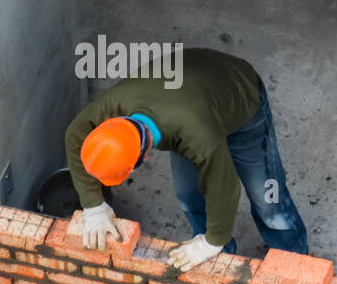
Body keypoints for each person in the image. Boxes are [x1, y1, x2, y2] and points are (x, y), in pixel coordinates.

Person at [64, 48, 307, 271]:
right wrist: (93, 206)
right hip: (192, 96)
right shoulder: (111, 108)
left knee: (267, 198)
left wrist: (213, 241)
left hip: (240, 95)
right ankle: (218, 255)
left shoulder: (196, 134)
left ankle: (294, 262)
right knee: (189, 195)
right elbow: (75, 134)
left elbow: (224, 186)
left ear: (144, 156)